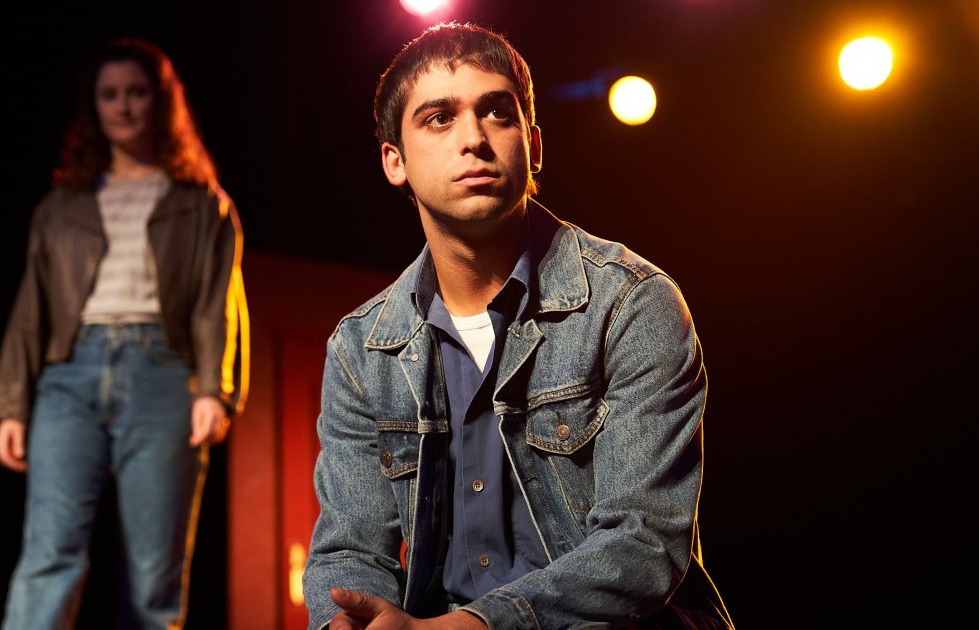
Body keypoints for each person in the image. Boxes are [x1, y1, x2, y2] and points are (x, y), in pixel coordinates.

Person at [302, 22, 734, 629]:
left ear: (533, 143)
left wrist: (474, 627)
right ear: (394, 161)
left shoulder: (631, 303)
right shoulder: (361, 347)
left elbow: (643, 547)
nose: (473, 139)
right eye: (439, 118)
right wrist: (347, 621)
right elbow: (348, 549)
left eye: (496, 113)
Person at [0, 37, 248, 630]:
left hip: (162, 375)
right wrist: (10, 405)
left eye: (136, 94)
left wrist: (215, 388)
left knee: (154, 574)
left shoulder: (202, 204)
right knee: (49, 554)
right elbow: (30, 310)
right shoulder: (61, 207)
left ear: (160, 104)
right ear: (94, 107)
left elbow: (219, 302)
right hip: (68, 379)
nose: (124, 107)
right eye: (110, 96)